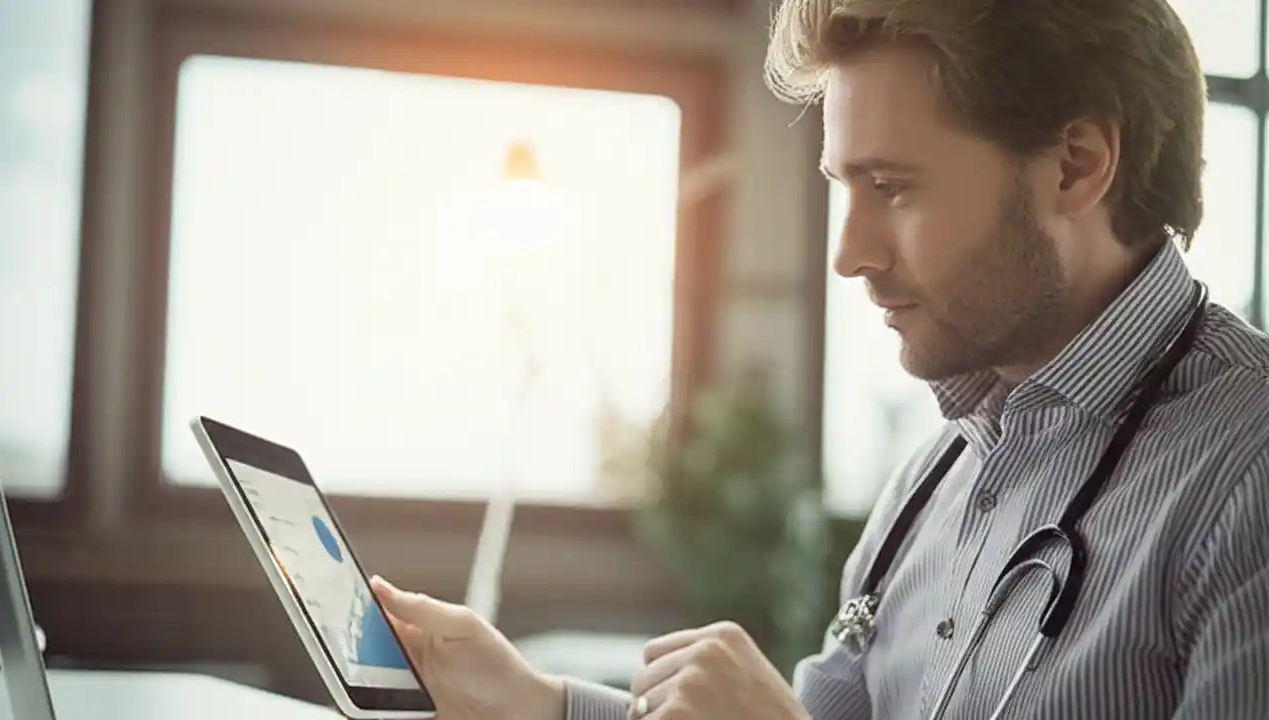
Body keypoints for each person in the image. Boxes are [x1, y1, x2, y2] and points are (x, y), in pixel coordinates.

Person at [371, 0, 1269, 717]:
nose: (851, 253)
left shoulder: (1247, 476)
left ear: (1076, 165)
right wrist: (537, 707)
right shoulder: (938, 478)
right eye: (846, 188)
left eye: (893, 187)